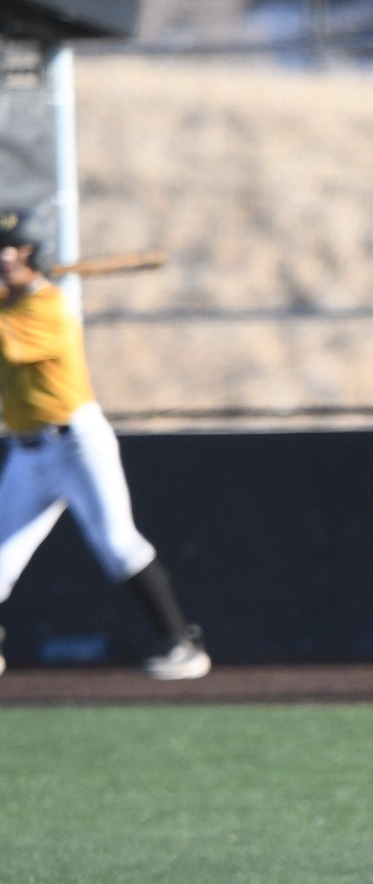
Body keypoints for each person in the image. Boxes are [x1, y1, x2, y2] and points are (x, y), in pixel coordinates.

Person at [0, 210, 208, 680]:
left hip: (77, 445)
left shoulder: (48, 307)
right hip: (27, 451)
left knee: (117, 543)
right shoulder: (9, 302)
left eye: (9, 248)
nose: (2, 257)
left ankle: (182, 646)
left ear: (31, 253)